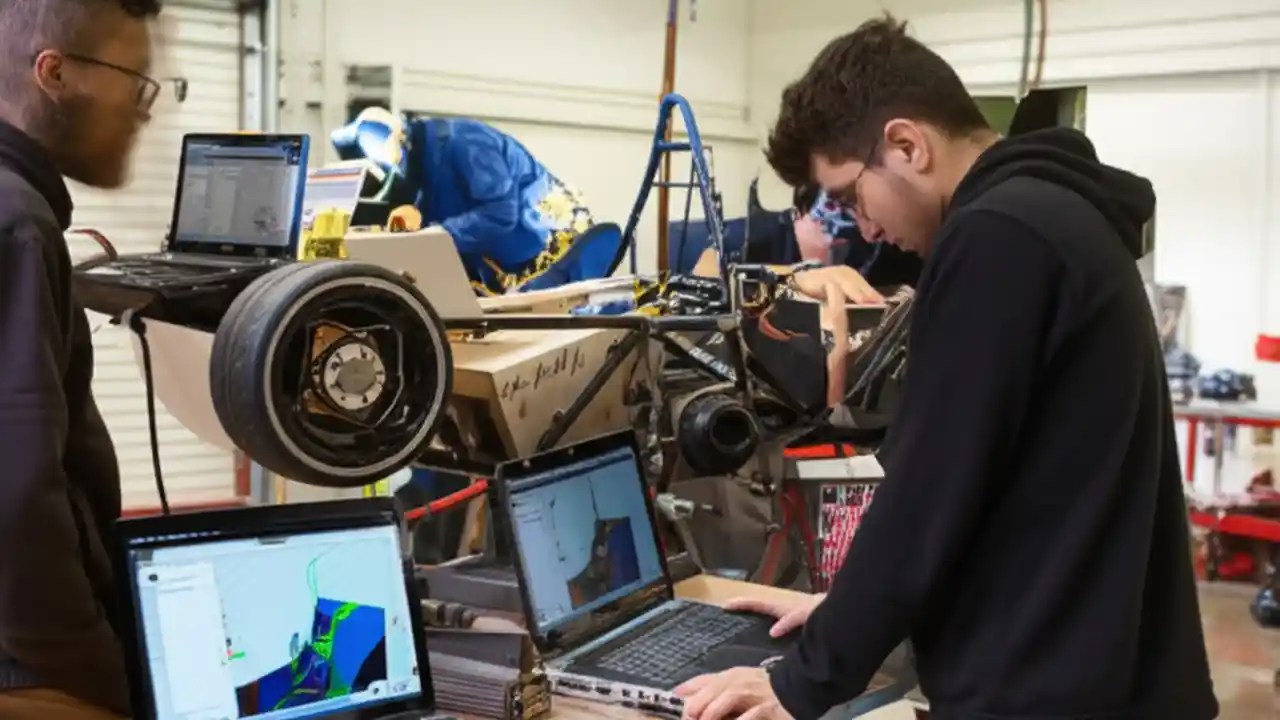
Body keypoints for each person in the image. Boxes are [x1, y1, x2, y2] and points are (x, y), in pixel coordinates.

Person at [676, 15, 1216, 720]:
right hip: (1100, 675)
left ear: (905, 145)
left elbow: (929, 494)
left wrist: (801, 681)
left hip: (1047, 691)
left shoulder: (997, 238)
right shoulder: (1056, 216)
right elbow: (999, 487)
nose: (862, 229)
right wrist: (846, 616)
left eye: (847, 196)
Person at [0, 1, 161, 717]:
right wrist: (106, 676)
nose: (144, 110)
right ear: (54, 73)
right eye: (138, 81)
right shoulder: (17, 226)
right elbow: (14, 502)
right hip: (25, 658)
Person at [332, 107, 613, 295]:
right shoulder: (424, 176)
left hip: (562, 247)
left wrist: (436, 235)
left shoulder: (465, 143)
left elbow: (501, 215)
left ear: (403, 141)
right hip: (516, 269)